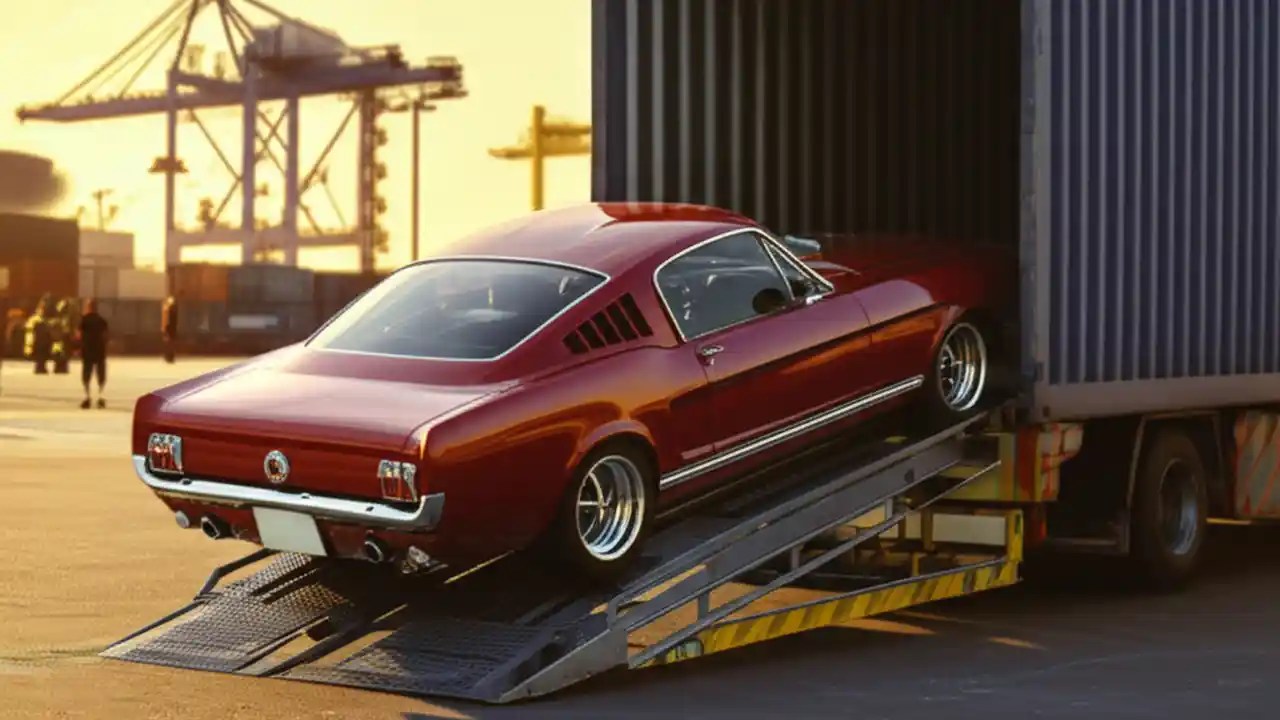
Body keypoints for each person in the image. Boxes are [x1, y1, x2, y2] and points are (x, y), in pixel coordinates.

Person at [79, 298, 109, 409]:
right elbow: (106, 335)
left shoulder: (84, 320)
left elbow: (79, 335)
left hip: (87, 351)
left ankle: (87, 397)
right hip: (99, 351)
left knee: (86, 374)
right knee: (100, 374)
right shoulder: (101, 320)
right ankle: (100, 397)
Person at [161, 295, 178, 363]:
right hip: (172, 327)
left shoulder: (167, 308)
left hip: (169, 327)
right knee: (170, 342)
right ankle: (170, 356)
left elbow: (165, 319)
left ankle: (169, 356)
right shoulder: (173, 308)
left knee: (169, 342)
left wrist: (163, 327)